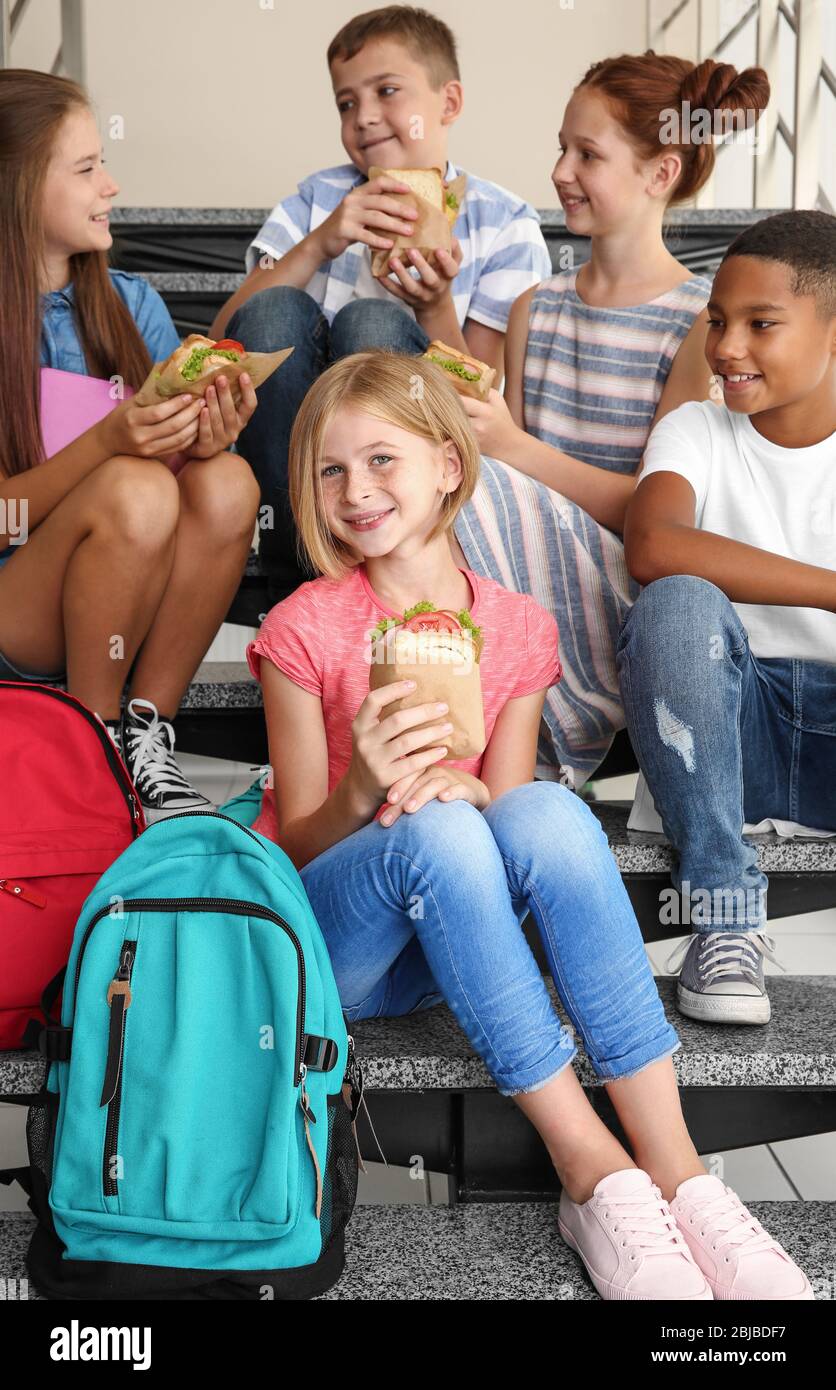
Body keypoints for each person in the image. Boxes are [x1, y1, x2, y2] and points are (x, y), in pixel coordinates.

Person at [243, 349, 811, 1301]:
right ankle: (591, 1169)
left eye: (383, 460)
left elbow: (507, 815)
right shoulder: (307, 627)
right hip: (332, 941)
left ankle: (677, 1170)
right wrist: (360, 792)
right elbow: (289, 847)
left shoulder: (514, 629)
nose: (356, 490)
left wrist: (478, 800)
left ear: (449, 467)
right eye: (330, 470)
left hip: (453, 937)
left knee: (540, 807)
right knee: (428, 829)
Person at [447, 50, 769, 786]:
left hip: (626, 589)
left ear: (661, 175)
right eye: (562, 147)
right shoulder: (537, 307)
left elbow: (657, 520)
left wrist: (511, 446)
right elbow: (507, 485)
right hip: (517, 573)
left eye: (587, 153)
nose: (561, 170)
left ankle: (511, 746)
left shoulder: (698, 322)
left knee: (476, 482)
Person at [209, 4, 551, 598]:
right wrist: (321, 242)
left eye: (386, 91)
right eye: (346, 103)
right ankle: (305, 557)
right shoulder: (317, 202)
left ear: (448, 103)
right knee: (272, 309)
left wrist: (435, 304)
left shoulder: (503, 223)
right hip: (304, 490)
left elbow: (481, 397)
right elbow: (225, 338)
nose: (364, 118)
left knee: (371, 319)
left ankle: (388, 554)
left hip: (415, 496)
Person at [0, 70, 261, 820]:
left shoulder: (131, 305)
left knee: (229, 482)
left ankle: (146, 730)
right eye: (86, 170)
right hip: (18, 597)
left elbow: (179, 484)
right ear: (17, 186)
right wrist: (111, 442)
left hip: (125, 588)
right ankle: (88, 740)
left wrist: (206, 437)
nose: (111, 186)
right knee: (132, 484)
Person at [616, 209, 836, 1027]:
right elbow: (652, 543)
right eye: (718, 321)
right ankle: (724, 915)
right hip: (728, 728)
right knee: (675, 601)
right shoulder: (698, 430)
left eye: (761, 324)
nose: (726, 347)